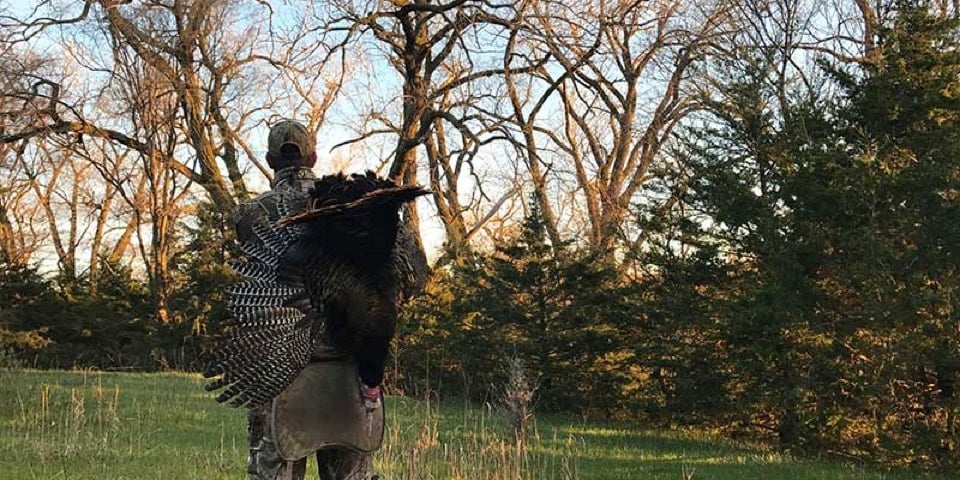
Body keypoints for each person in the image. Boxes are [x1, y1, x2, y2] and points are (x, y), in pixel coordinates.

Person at [235, 119, 388, 480]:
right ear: (314, 156)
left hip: (281, 372)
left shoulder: (249, 215)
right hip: (350, 375)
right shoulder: (354, 209)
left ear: (270, 159)